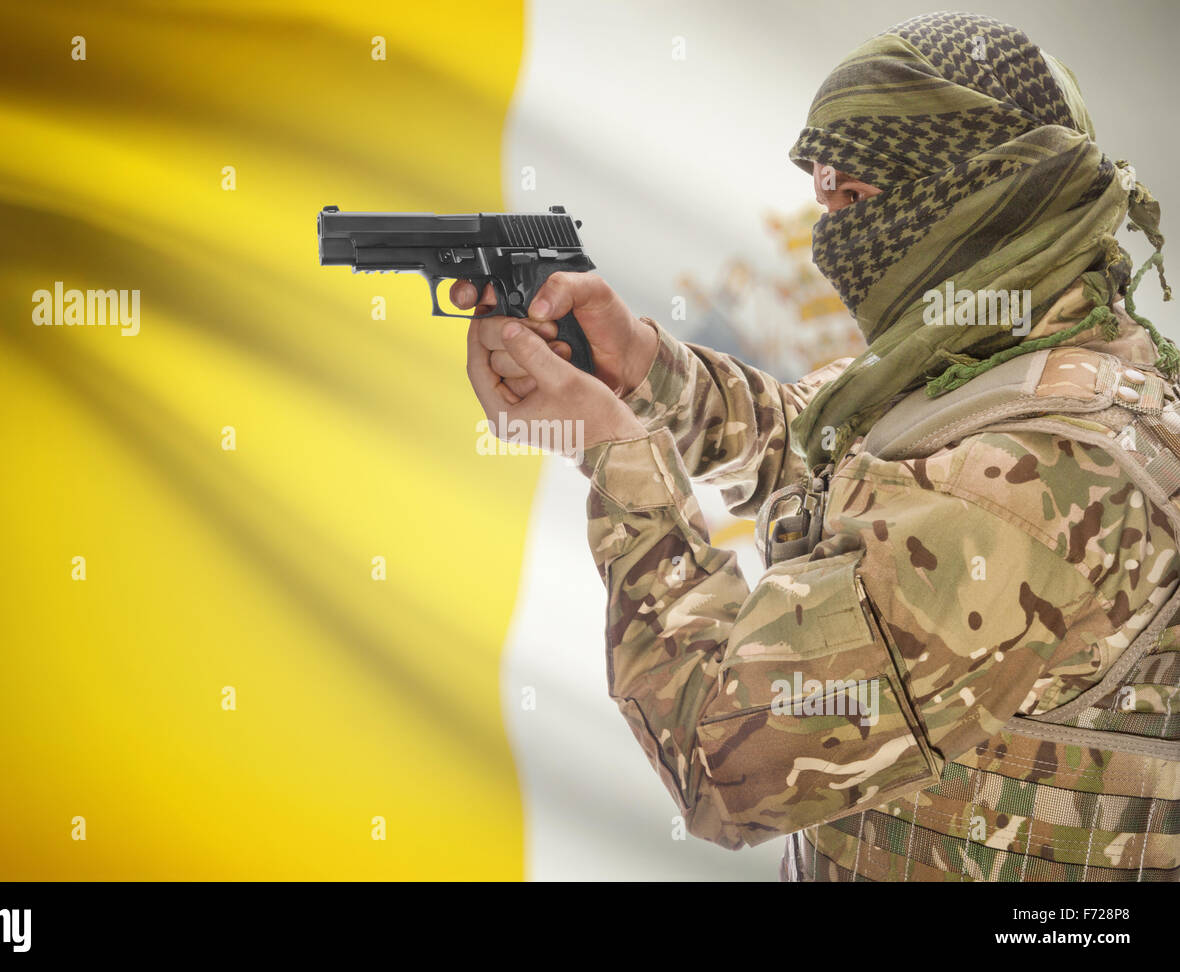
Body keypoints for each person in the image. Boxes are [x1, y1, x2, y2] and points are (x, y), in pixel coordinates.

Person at [459, 11, 1179, 881]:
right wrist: (644, 367)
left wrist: (618, 456)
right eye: (820, 192)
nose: (826, 231)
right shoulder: (1016, 357)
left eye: (851, 197)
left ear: (975, 192)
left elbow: (728, 765)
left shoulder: (1035, 484)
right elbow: (821, 449)